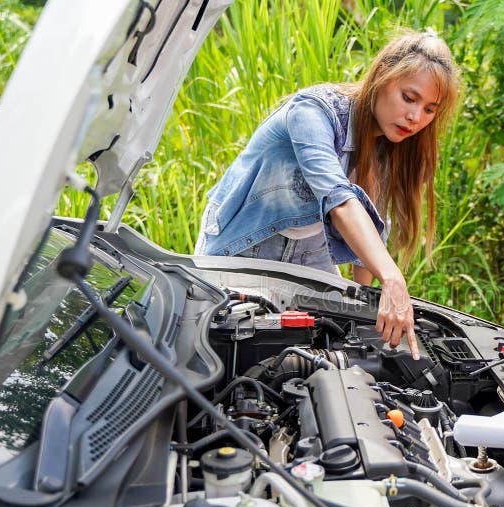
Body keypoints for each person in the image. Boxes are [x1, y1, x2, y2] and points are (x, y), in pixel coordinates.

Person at [195, 30, 460, 359]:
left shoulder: (391, 145)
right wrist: (393, 278)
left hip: (312, 252)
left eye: (429, 109)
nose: (416, 117)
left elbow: (370, 229)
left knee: (328, 357)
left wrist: (368, 306)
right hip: (246, 246)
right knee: (228, 355)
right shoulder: (313, 112)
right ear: (382, 77)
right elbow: (339, 201)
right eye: (409, 97)